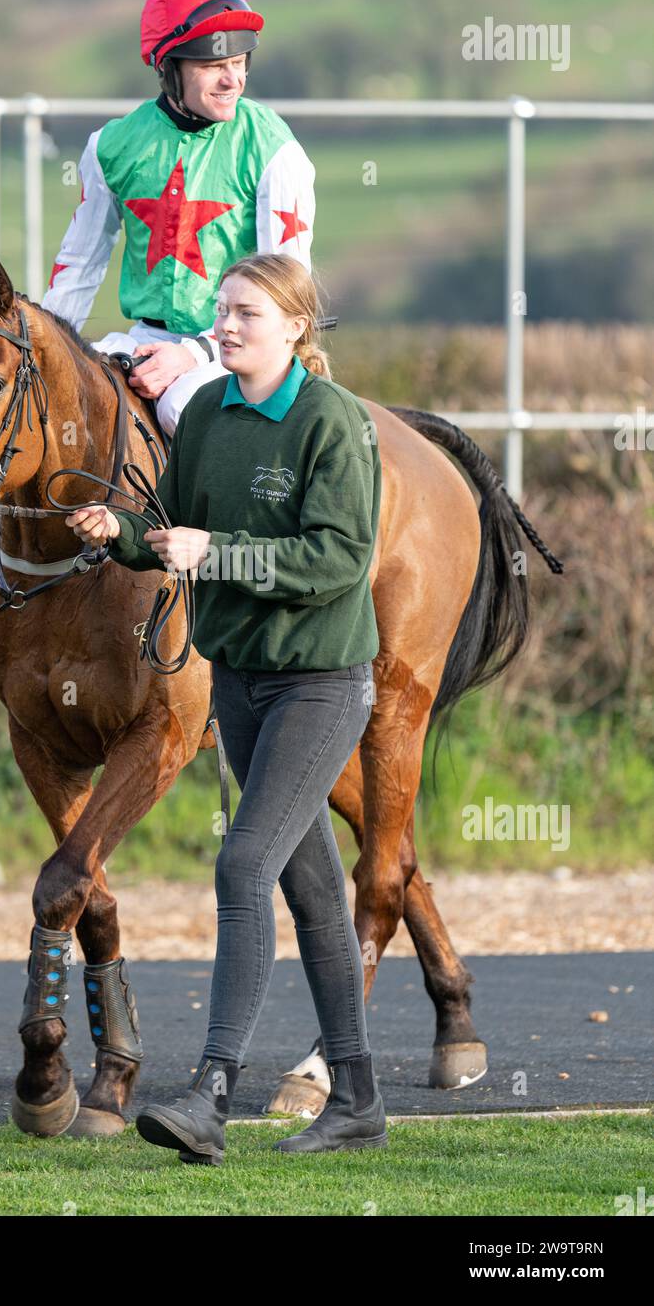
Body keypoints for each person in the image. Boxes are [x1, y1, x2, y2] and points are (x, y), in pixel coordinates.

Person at [65, 254, 387, 1164]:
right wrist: (116, 532)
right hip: (238, 682)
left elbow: (335, 564)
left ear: (295, 326)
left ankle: (210, 1091)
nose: (228, 324)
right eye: (223, 311)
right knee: (314, 894)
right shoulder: (206, 413)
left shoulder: (334, 422)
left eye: (247, 312)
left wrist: (221, 553)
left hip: (321, 686)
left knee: (243, 865)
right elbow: (167, 530)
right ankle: (358, 1100)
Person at [40, 0, 316, 437]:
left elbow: (286, 293)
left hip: (238, 346)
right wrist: (45, 351)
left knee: (182, 407)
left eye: (241, 61)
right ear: (169, 69)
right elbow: (79, 264)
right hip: (143, 339)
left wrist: (197, 352)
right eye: (214, 65)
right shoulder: (111, 145)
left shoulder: (274, 148)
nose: (234, 79)